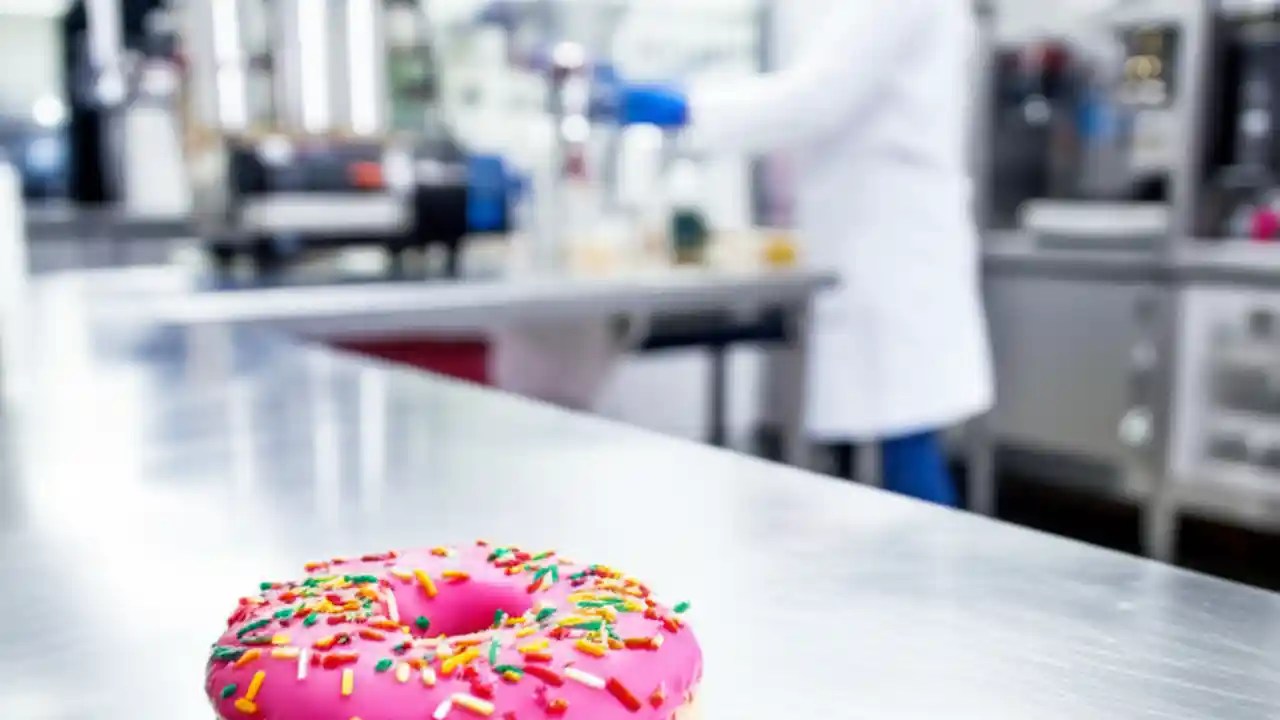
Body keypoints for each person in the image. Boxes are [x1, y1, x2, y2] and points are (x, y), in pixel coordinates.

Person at [619, 0, 993, 506]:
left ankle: (935, 582)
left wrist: (687, 107)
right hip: (868, 239)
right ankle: (900, 574)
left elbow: (818, 98)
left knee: (905, 447)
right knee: (890, 446)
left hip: (893, 245)